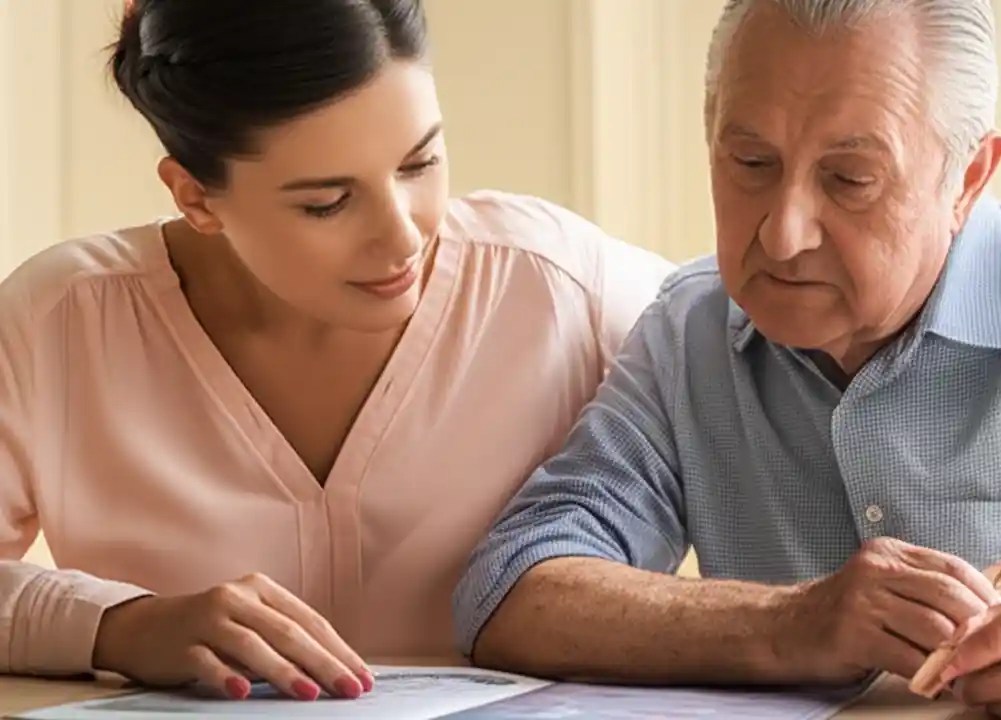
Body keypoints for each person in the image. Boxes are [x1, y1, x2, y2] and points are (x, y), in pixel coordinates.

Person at [454, 1, 1001, 718]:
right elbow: (513, 589)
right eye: (750, 164)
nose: (782, 234)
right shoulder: (688, 334)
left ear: (967, 177)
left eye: (849, 179)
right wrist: (792, 624)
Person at [0, 0, 671, 703]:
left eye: (421, 163)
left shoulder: (563, 291)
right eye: (327, 203)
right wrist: (121, 627)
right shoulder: (63, 323)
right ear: (195, 196)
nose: (402, 237)